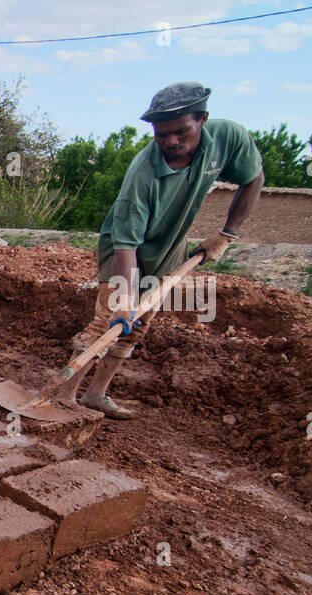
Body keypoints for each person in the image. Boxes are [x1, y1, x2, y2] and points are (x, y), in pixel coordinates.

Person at [56, 81, 265, 419]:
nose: (170, 141)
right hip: (124, 248)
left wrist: (227, 234)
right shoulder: (143, 174)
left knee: (137, 325)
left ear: (202, 120)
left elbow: (253, 178)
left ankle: (96, 395)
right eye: (161, 134)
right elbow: (127, 245)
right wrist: (124, 301)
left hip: (170, 247)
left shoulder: (229, 138)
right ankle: (63, 396)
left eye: (180, 132)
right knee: (107, 322)